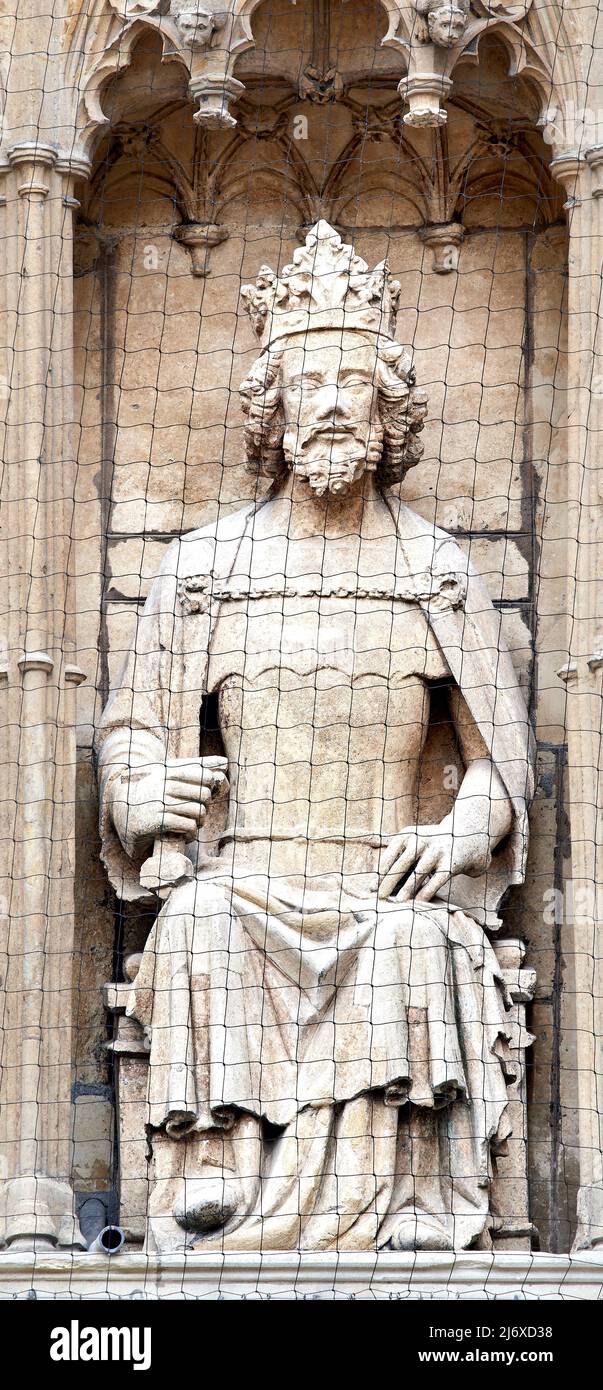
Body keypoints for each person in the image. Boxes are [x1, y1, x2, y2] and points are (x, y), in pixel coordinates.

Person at [96, 221, 534, 1252]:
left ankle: (411, 1188)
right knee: (199, 921)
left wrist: (465, 831)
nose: (332, 401)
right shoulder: (204, 572)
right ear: (273, 406)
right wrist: (139, 794)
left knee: (423, 942)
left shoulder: (435, 571)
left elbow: (500, 762)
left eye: (354, 381)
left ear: (388, 410)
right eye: (308, 380)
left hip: (381, 884)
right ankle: (218, 1162)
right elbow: (132, 733)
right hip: (249, 881)